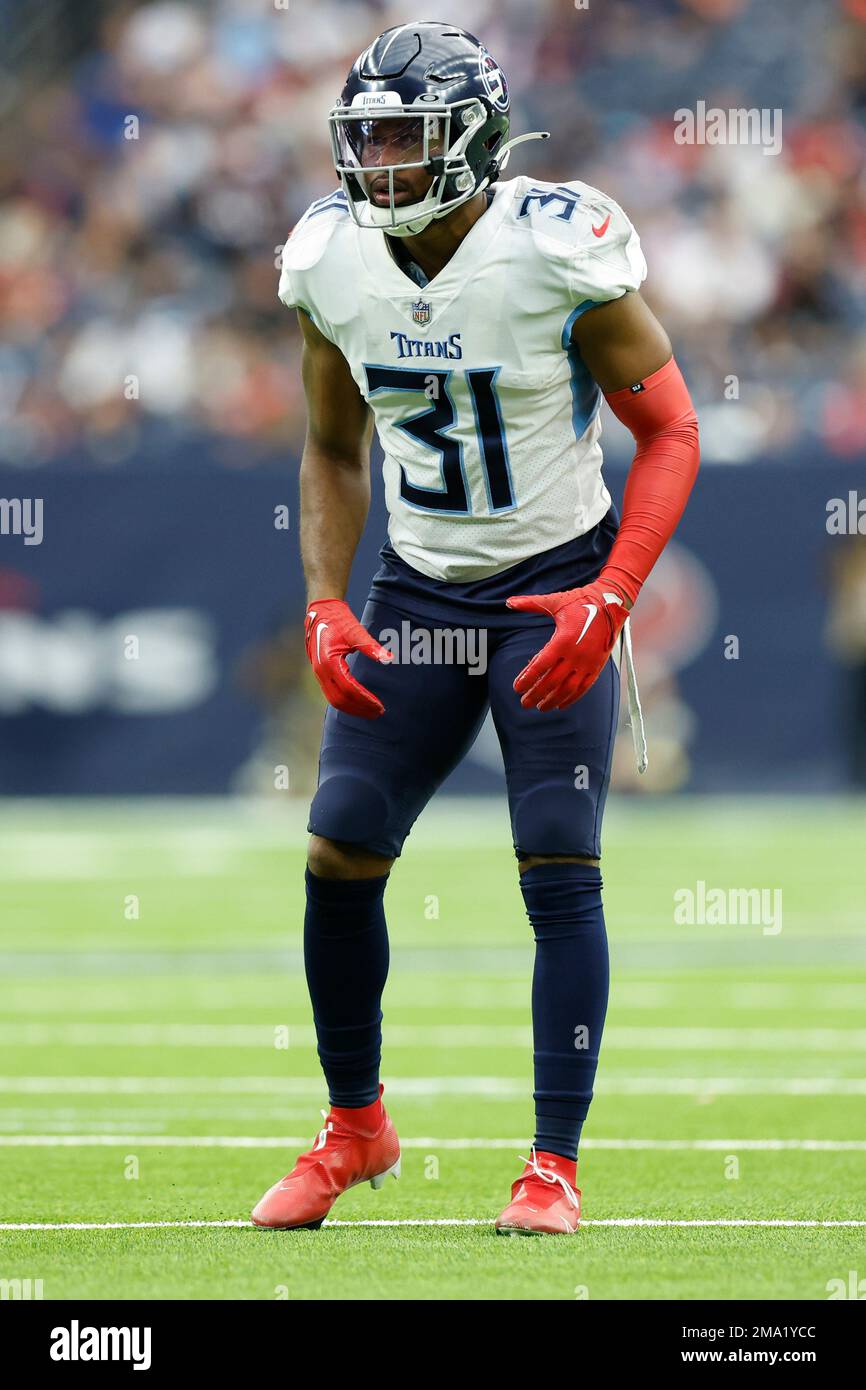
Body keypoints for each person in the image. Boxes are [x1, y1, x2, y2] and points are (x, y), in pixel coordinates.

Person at [252, 21, 699, 1236]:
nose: (378, 162)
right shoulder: (332, 261)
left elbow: (670, 432)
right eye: (365, 136)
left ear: (472, 141)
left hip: (552, 585)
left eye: (404, 135)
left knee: (557, 854)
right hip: (422, 588)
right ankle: (355, 1128)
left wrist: (610, 593)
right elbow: (333, 447)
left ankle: (550, 1165)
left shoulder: (553, 251)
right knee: (339, 840)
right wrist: (326, 597)